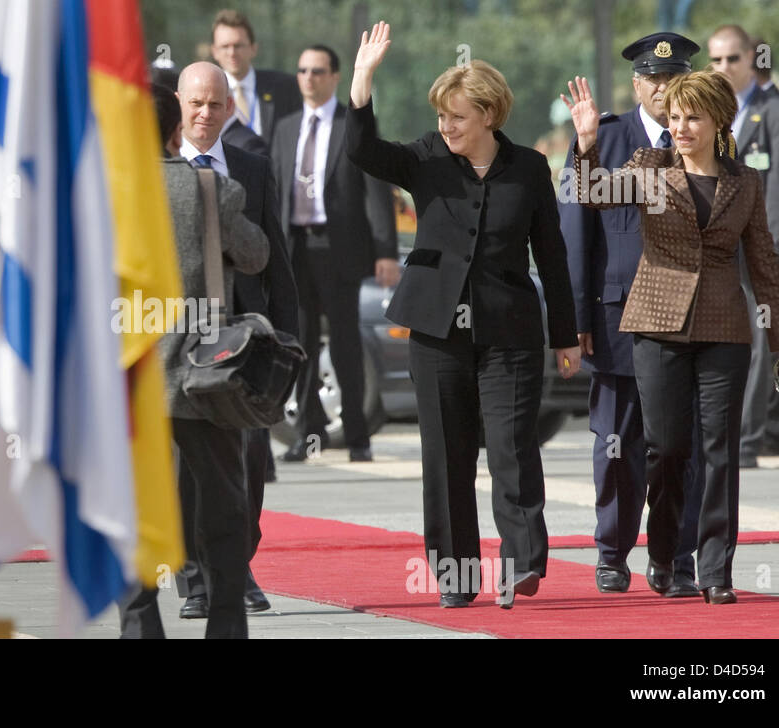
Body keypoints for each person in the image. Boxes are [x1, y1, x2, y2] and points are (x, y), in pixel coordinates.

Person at [348, 23, 580, 608]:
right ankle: (456, 579)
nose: (446, 125)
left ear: (488, 116)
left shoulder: (528, 168)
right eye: (443, 115)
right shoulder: (425, 158)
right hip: (436, 331)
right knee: (447, 456)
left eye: (457, 116)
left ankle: (523, 563)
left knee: (512, 448)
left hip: (511, 332)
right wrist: (362, 79)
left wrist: (566, 336)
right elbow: (363, 151)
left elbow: (551, 256)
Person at [564, 70, 779, 604]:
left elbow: (764, 260)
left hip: (724, 328)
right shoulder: (650, 169)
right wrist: (585, 146)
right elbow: (591, 193)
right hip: (656, 326)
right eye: (674, 117)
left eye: (692, 117)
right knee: (667, 449)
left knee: (718, 450)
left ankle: (714, 568)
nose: (681, 127)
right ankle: (665, 550)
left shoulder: (745, 183)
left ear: (720, 120)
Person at [118, 83, 269, 639]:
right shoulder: (210, 187)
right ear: (176, 130)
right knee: (222, 509)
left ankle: (138, 627)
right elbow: (256, 256)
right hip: (203, 375)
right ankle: (225, 623)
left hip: (128, 377)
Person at [558, 32, 705, 597]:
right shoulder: (605, 138)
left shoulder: (706, 142)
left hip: (690, 319)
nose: (664, 89)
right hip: (619, 317)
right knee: (616, 443)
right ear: (637, 83)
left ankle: (675, 559)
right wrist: (576, 316)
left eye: (675, 79)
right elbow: (576, 232)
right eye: (654, 79)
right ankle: (611, 554)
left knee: (679, 447)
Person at [170, 61, 298, 620]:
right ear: (179, 104)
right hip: (174, 345)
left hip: (243, 346)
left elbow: (277, 262)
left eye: (214, 104)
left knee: (246, 461)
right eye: (195, 103)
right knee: (185, 465)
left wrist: (289, 344)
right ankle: (196, 579)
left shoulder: (251, 167)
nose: (204, 113)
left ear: (230, 108)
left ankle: (237, 566)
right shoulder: (157, 171)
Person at [271, 43, 398, 463]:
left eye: (318, 71)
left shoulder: (352, 124)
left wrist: (385, 250)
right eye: (303, 70)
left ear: (335, 77)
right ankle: (309, 433)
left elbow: (375, 191)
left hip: (340, 249)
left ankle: (358, 437)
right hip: (296, 247)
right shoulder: (287, 126)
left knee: (345, 343)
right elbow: (276, 190)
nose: (309, 78)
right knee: (300, 342)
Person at [705, 25, 779, 466]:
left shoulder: (776, 114)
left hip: (761, 255)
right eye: (716, 60)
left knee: (755, 345)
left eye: (733, 58)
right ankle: (748, 433)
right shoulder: (712, 116)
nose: (724, 68)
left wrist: (774, 265)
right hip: (720, 255)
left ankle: (746, 441)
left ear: (752, 59)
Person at [211, 9, 299, 149]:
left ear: (253, 48)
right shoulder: (207, 93)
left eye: (238, 45)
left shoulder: (285, 87)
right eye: (225, 46)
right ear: (214, 51)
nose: (232, 53)